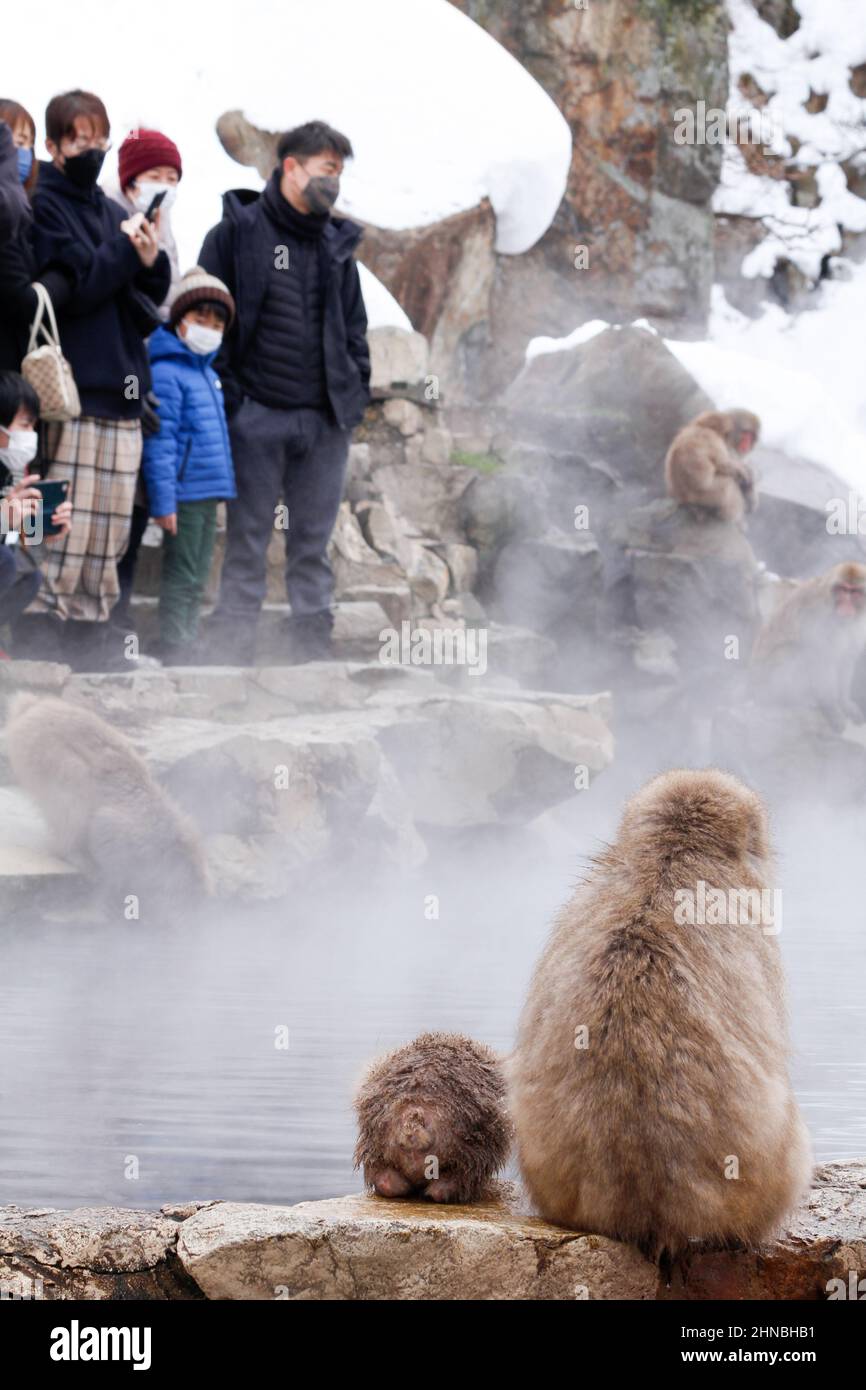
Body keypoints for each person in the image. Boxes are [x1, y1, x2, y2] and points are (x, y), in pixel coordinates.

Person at [198, 119, 370, 665]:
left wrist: (352, 393)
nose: (333, 184)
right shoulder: (236, 233)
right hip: (257, 417)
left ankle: (310, 656)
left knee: (311, 546)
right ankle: (231, 654)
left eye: (339, 175)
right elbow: (204, 310)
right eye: (326, 171)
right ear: (290, 168)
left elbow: (355, 331)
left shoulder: (338, 247)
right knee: (248, 540)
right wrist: (233, 401)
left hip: (322, 423)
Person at [23, 89, 171, 671]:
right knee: (61, 523)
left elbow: (147, 302)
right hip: (73, 393)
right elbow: (78, 292)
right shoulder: (45, 207)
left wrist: (151, 259)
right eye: (79, 138)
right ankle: (38, 631)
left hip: (123, 392)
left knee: (108, 529)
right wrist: (121, 254)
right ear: (55, 146)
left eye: (99, 137)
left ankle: (92, 634)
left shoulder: (114, 212)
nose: (93, 148)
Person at [105, 128, 184, 633]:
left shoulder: (167, 228)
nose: (164, 186)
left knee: (133, 513)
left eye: (173, 177)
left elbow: (167, 304)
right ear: (130, 179)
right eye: (155, 175)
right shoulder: (107, 216)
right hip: (104, 381)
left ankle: (119, 621)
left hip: (144, 381)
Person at [141, 268, 236, 664]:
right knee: (181, 573)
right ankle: (174, 643)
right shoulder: (166, 372)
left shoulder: (208, 374)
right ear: (179, 321)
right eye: (200, 320)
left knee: (198, 574)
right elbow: (160, 444)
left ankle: (189, 638)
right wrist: (164, 503)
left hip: (208, 490)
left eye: (217, 323)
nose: (209, 329)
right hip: (184, 493)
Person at [0, 100, 76, 373]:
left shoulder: (33, 209)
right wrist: (62, 277)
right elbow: (22, 300)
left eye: (27, 144)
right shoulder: (8, 220)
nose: (21, 153)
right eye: (12, 140)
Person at [0, 371, 72, 655]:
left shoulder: (13, 471)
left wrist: (44, 535)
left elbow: (23, 554)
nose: (30, 435)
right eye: (24, 424)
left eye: (33, 426)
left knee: (29, 576)